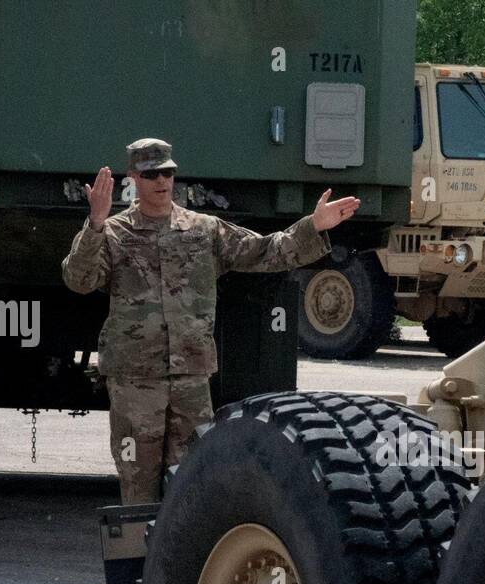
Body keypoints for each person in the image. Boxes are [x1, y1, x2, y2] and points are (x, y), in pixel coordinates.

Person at [62, 137, 360, 503]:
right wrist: (94, 223)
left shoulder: (204, 230)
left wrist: (313, 226)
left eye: (167, 172)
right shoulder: (113, 234)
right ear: (134, 177)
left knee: (193, 479)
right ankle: (139, 560)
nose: (162, 181)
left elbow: (265, 251)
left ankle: (185, 560)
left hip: (190, 378)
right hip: (135, 381)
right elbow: (78, 280)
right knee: (137, 479)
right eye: (152, 173)